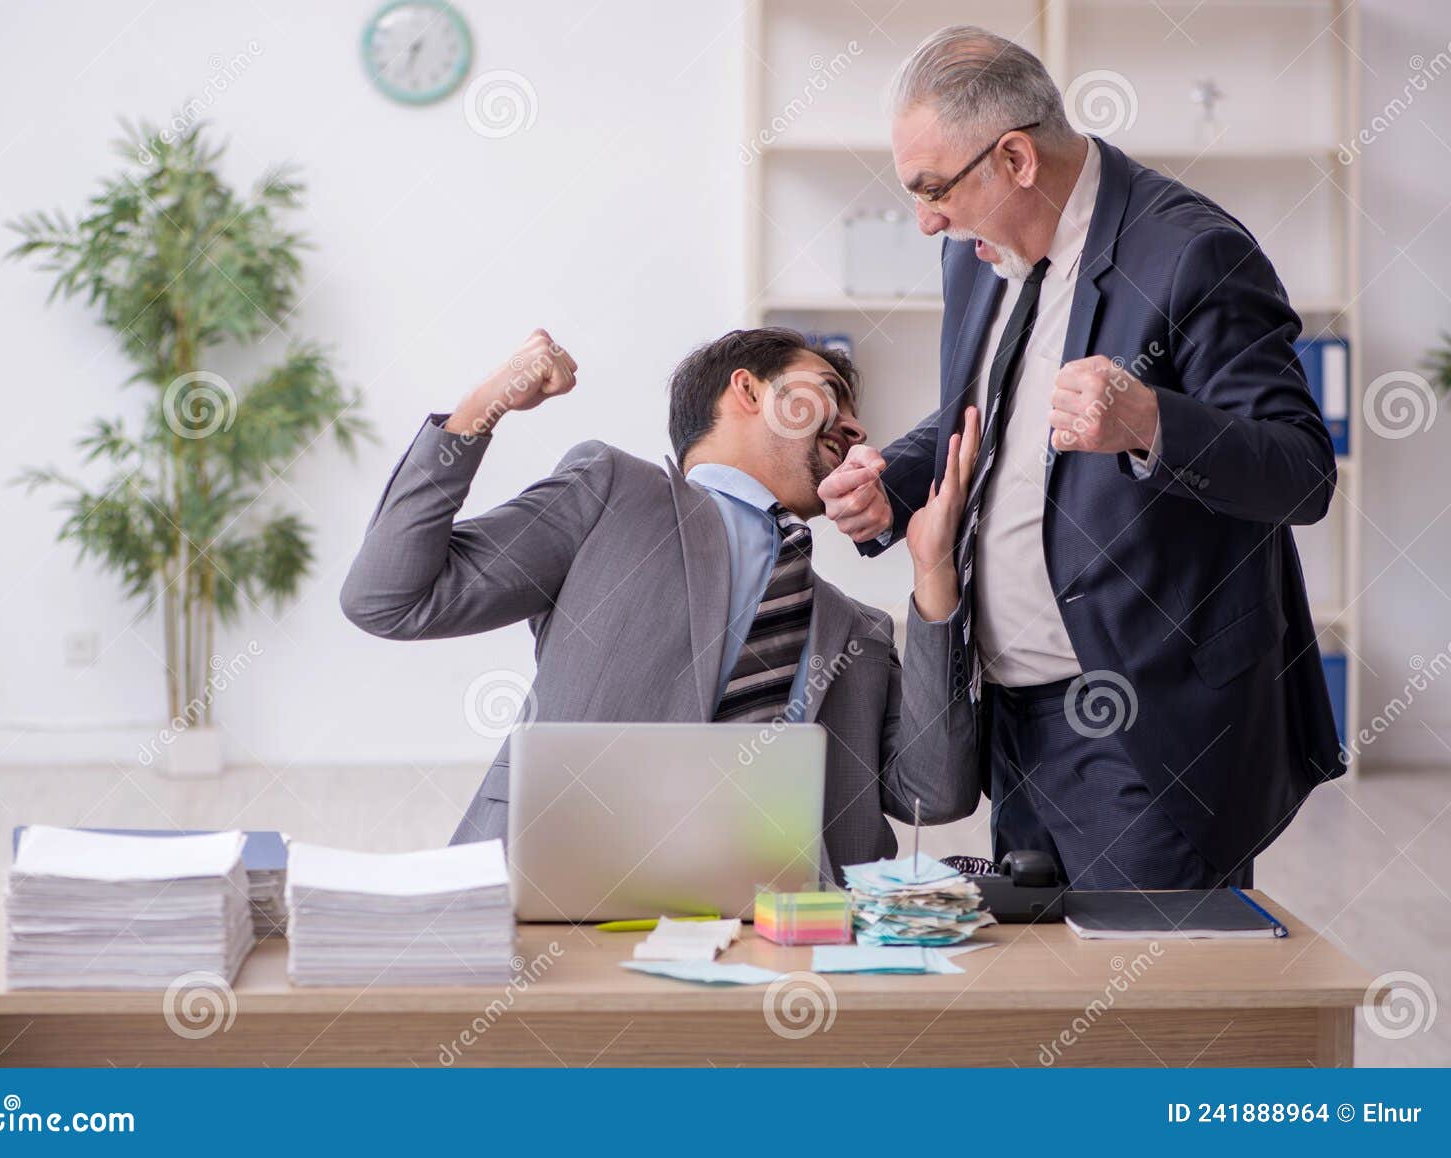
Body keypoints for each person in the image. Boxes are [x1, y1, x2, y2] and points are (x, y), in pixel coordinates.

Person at [816, 25, 1343, 890]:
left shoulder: (1192, 252)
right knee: (1049, 1004)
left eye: (934, 188)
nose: (926, 220)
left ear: (1016, 158)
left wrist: (1151, 422)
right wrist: (895, 482)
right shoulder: (978, 257)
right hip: (1014, 723)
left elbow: (1300, 471)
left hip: (1147, 729)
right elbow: (986, 413)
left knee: (1146, 1012)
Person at [340, 326, 981, 882]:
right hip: (560, 910)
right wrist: (480, 410)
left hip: (788, 944)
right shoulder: (615, 494)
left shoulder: (857, 628)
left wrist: (933, 570)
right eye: (827, 391)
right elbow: (388, 598)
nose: (855, 425)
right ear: (749, 391)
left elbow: (933, 792)